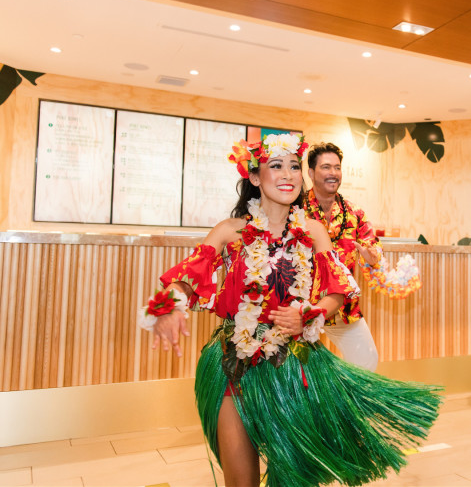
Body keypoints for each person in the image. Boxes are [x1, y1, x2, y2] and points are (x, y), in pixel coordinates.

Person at [138, 132, 441, 487]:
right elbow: (187, 279)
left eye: (294, 167)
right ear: (254, 177)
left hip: (292, 366)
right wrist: (168, 306)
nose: (287, 175)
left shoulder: (312, 231)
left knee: (294, 479)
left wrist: (310, 314)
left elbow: (337, 290)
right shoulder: (229, 232)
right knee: (241, 481)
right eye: (275, 166)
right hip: (233, 364)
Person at [303, 142, 381, 371]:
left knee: (367, 360)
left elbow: (373, 251)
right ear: (311, 172)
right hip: (302, 307)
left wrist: (370, 256)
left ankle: (352, 408)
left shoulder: (354, 212)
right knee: (301, 371)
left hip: (343, 306)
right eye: (326, 167)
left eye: (337, 168)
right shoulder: (294, 210)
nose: (333, 173)